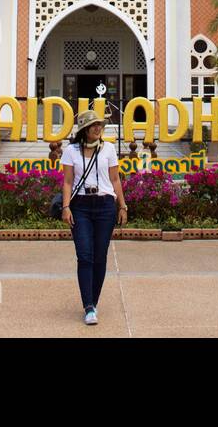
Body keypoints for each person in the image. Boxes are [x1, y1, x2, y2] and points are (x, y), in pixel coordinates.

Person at [61, 110, 128, 325]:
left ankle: (93, 302)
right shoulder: (71, 151)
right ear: (83, 130)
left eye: (99, 125)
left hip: (105, 206)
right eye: (93, 126)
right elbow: (68, 182)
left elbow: (115, 179)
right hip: (80, 206)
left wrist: (122, 205)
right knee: (85, 255)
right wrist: (66, 206)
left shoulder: (108, 148)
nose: (98, 128)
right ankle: (88, 305)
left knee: (100, 257)